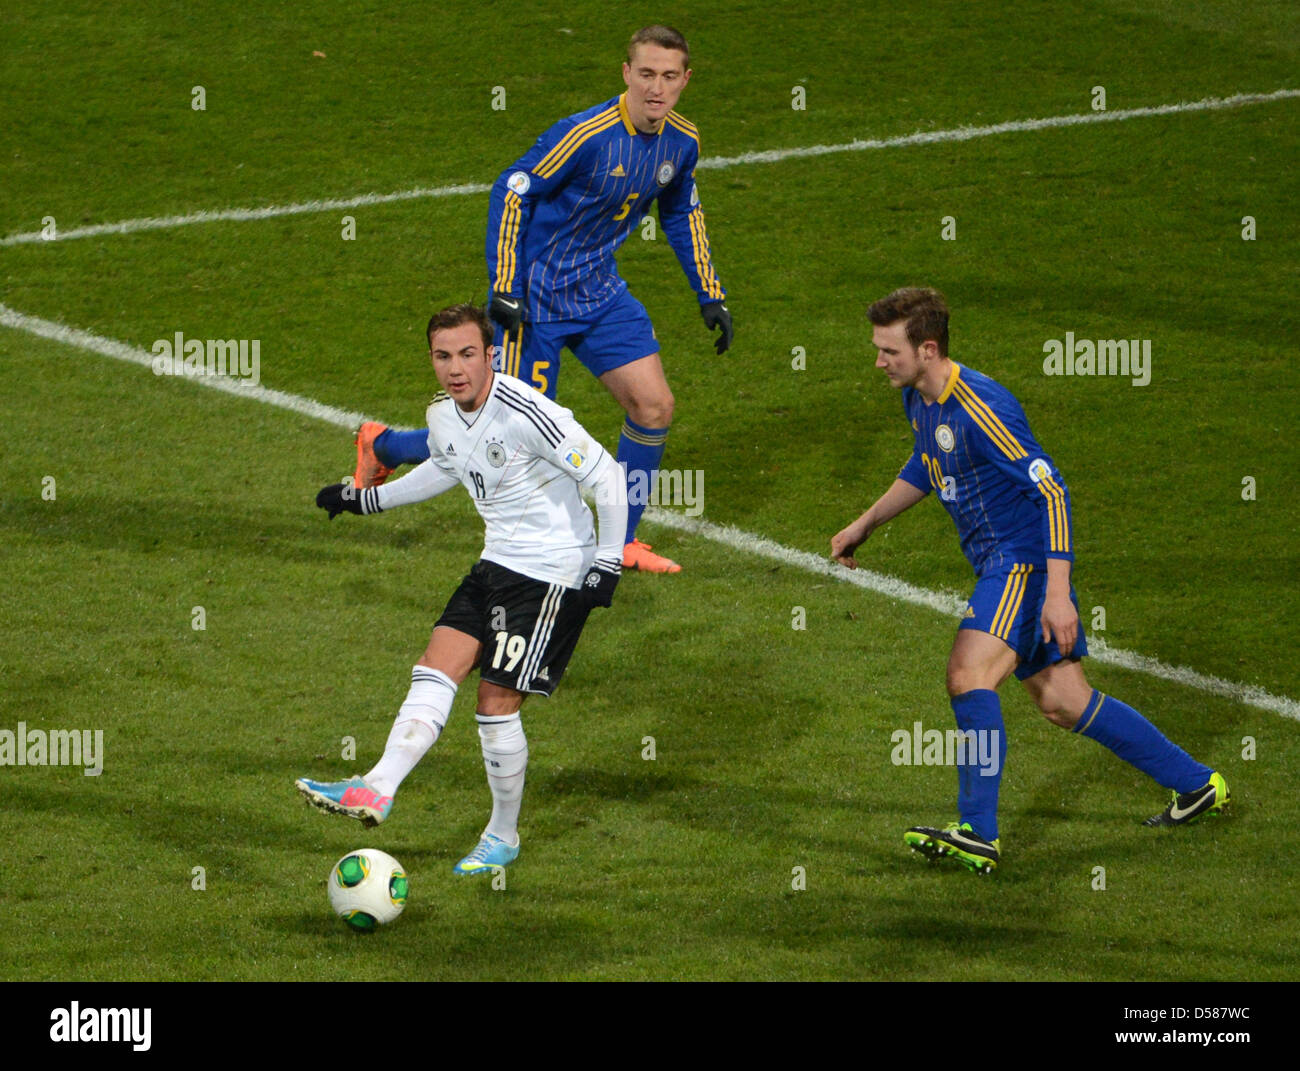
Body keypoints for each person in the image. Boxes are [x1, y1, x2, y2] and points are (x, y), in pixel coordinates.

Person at [830, 287, 1229, 874]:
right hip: (1005, 563)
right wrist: (866, 523)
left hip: (1021, 562)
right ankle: (1198, 785)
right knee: (1064, 702)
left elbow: (1053, 490)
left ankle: (977, 832)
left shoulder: (982, 406)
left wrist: (1059, 595)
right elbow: (927, 463)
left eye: (889, 350)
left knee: (968, 675)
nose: (879, 361)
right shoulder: (919, 397)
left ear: (928, 348)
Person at [351, 24, 730, 574]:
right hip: (534, 299)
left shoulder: (683, 142)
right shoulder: (585, 135)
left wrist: (710, 294)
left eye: (669, 77)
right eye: (646, 73)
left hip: (599, 292)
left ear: (685, 81)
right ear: (626, 73)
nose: (656, 88)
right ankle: (385, 448)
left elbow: (680, 211)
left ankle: (622, 540)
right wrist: (505, 284)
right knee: (504, 436)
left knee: (654, 406)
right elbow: (512, 188)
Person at [297, 303, 628, 876]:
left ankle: (502, 836)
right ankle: (377, 786)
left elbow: (606, 474)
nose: (456, 368)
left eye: (468, 354)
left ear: (490, 356)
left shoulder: (527, 412)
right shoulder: (443, 416)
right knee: (434, 666)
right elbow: (445, 466)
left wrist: (606, 561)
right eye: (443, 356)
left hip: (551, 575)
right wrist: (365, 499)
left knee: (494, 708)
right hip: (495, 563)